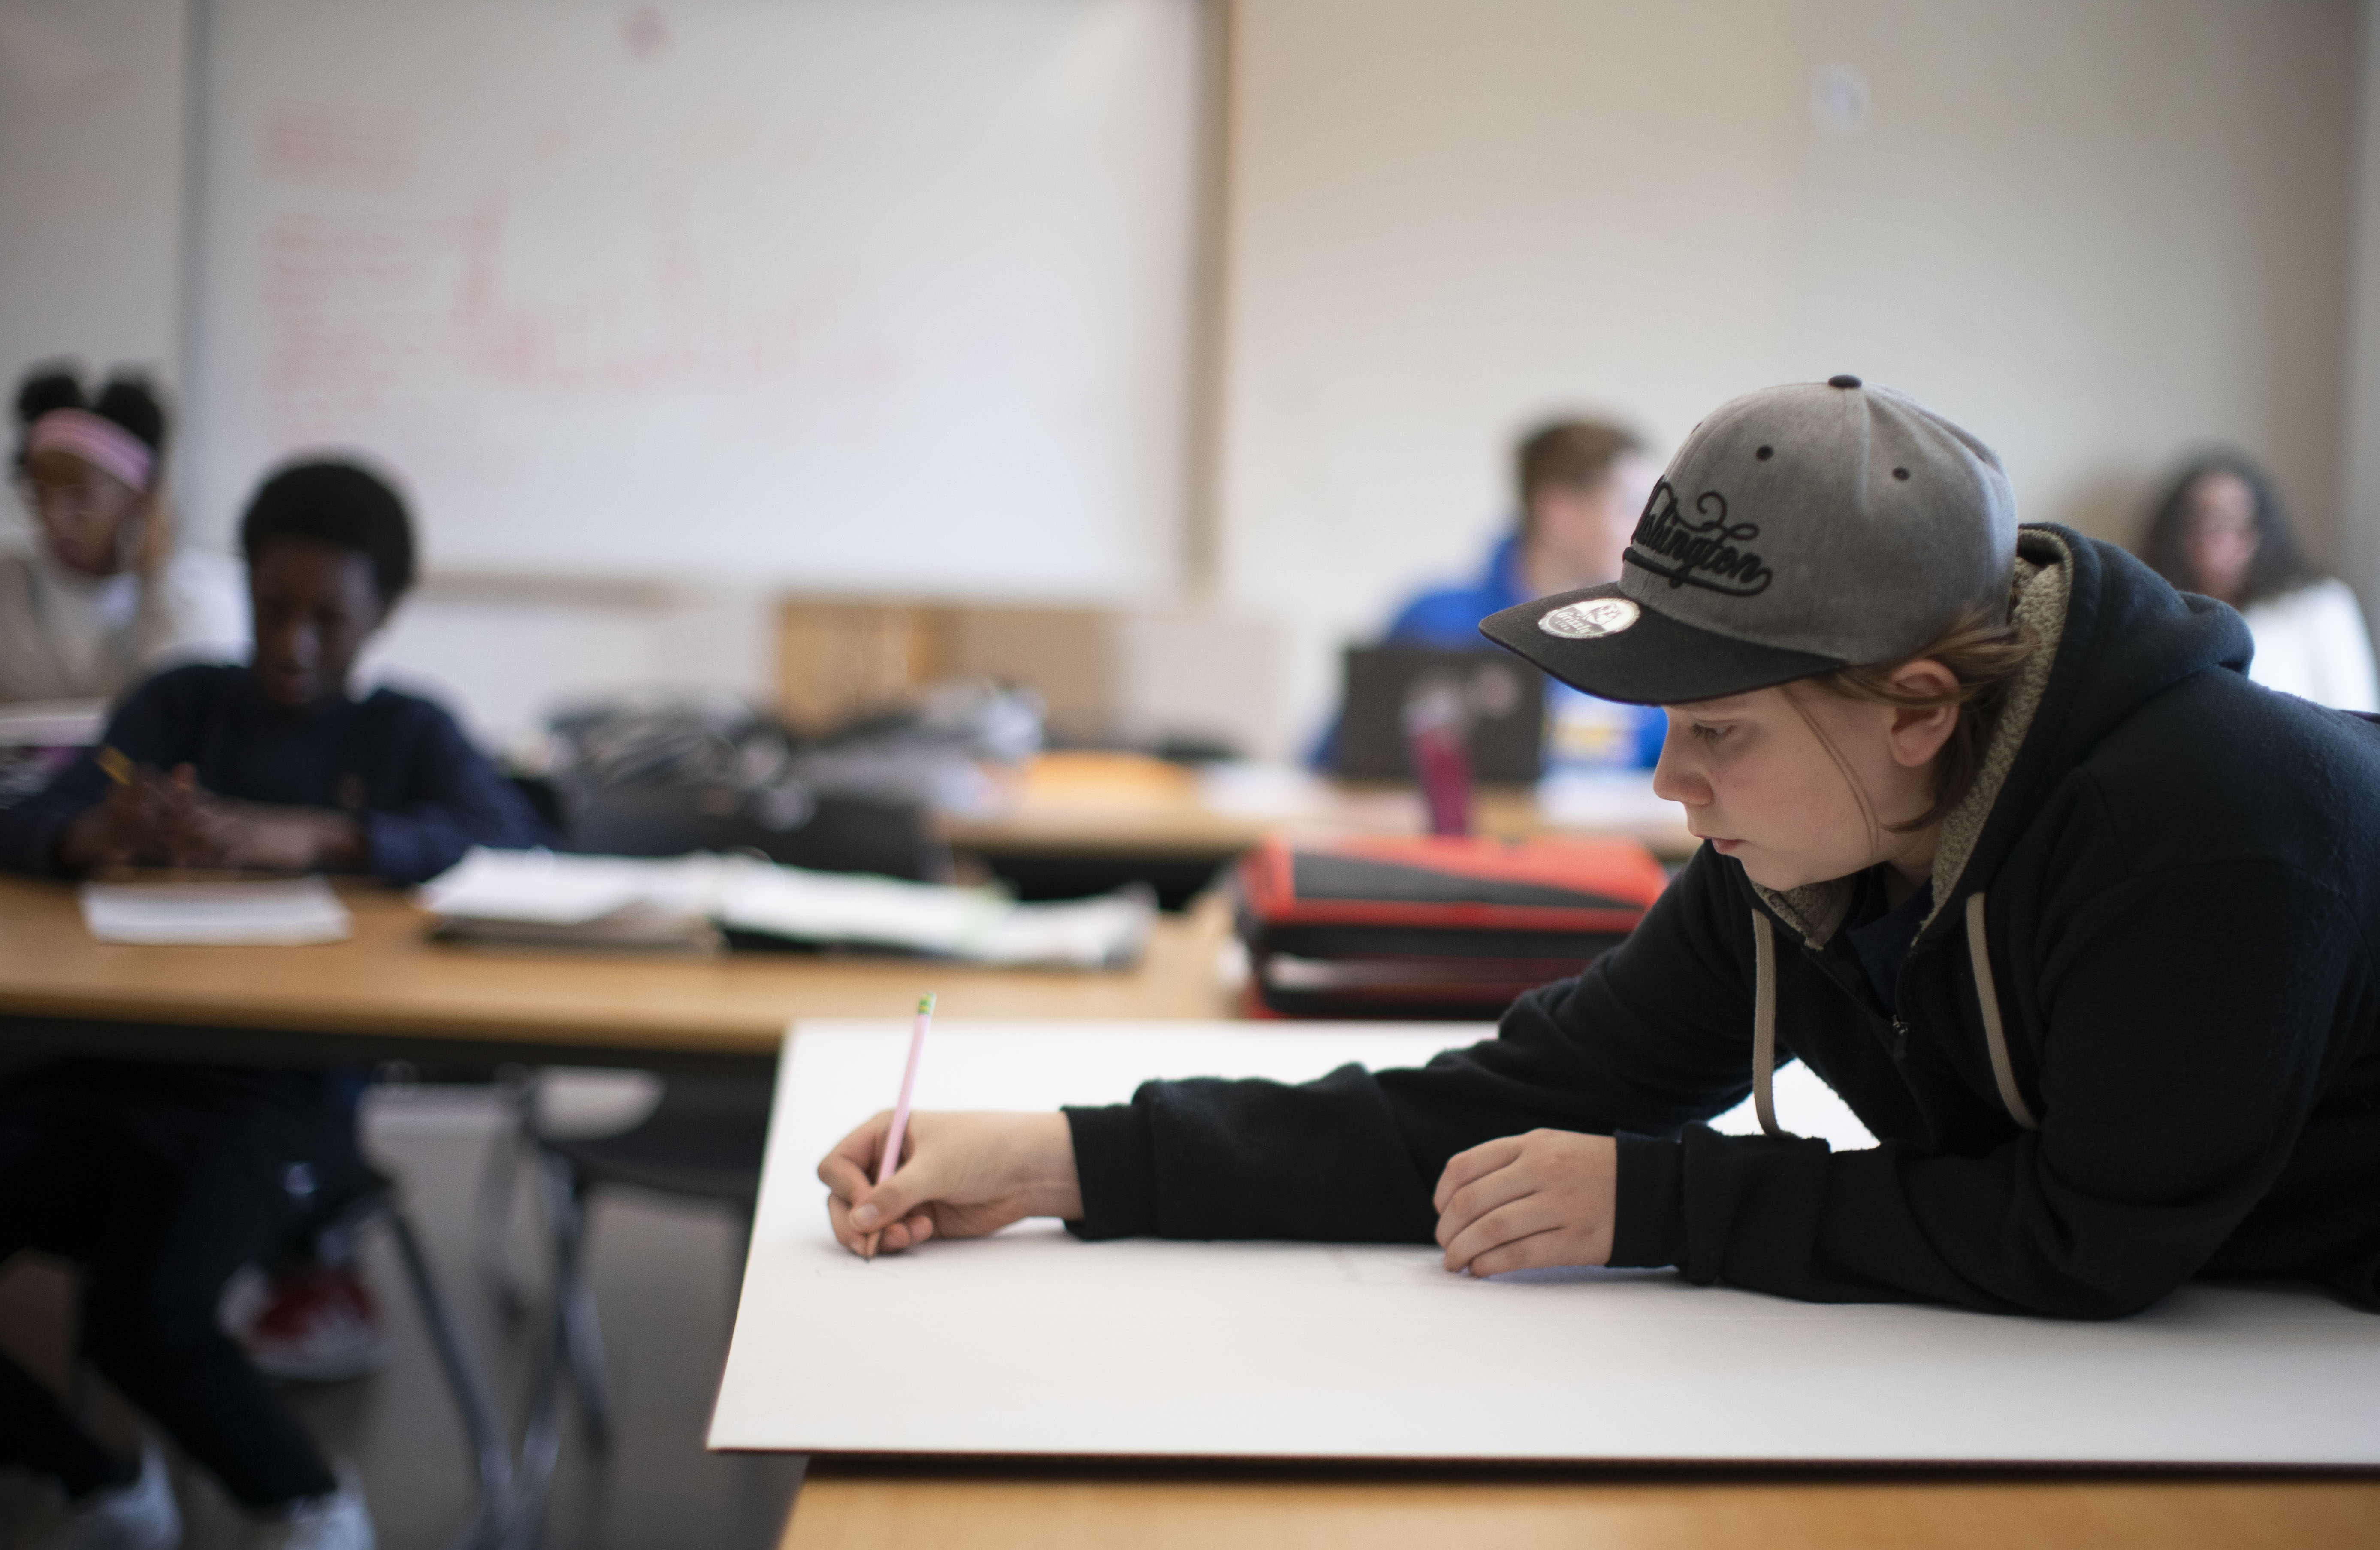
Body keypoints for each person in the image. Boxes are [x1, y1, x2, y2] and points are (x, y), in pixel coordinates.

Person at [819, 377, 2380, 1320]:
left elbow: (2082, 1240)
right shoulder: (1804, 847)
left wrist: (1663, 1199)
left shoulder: (2216, 828)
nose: (1666, 783)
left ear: (1915, 709)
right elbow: (1512, 1106)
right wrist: (1057, 1158)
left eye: (1717, 726)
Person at [0, 459, 548, 1548]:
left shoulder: (408, 733)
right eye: (272, 607)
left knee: (141, 1316)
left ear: (382, 614)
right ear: (241, 585)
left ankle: (305, 1501)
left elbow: (517, 845)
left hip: (277, 1098)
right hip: (105, 1070)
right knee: (126, 1296)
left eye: (328, 619)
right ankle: (95, 1480)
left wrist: (324, 835)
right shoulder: (178, 701)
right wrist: (93, 833)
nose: (294, 644)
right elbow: (31, 818)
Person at [1320, 419, 1666, 770]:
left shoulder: (1643, 646)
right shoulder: (1434, 623)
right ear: (1559, 512)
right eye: (1630, 506)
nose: (1645, 532)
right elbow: (1329, 768)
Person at [2, 365, 246, 705]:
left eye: (80, 494)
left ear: (141, 497)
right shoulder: (10, 590)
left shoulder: (203, 599)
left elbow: (175, 705)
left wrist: (157, 581)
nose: (53, 516)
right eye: (40, 490)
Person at [2138, 451, 2379, 712]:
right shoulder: (2156, 617)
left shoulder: (2320, 605)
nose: (2215, 535)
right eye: (2199, 520)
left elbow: (2361, 723)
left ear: (2261, 529)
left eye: (2232, 520)